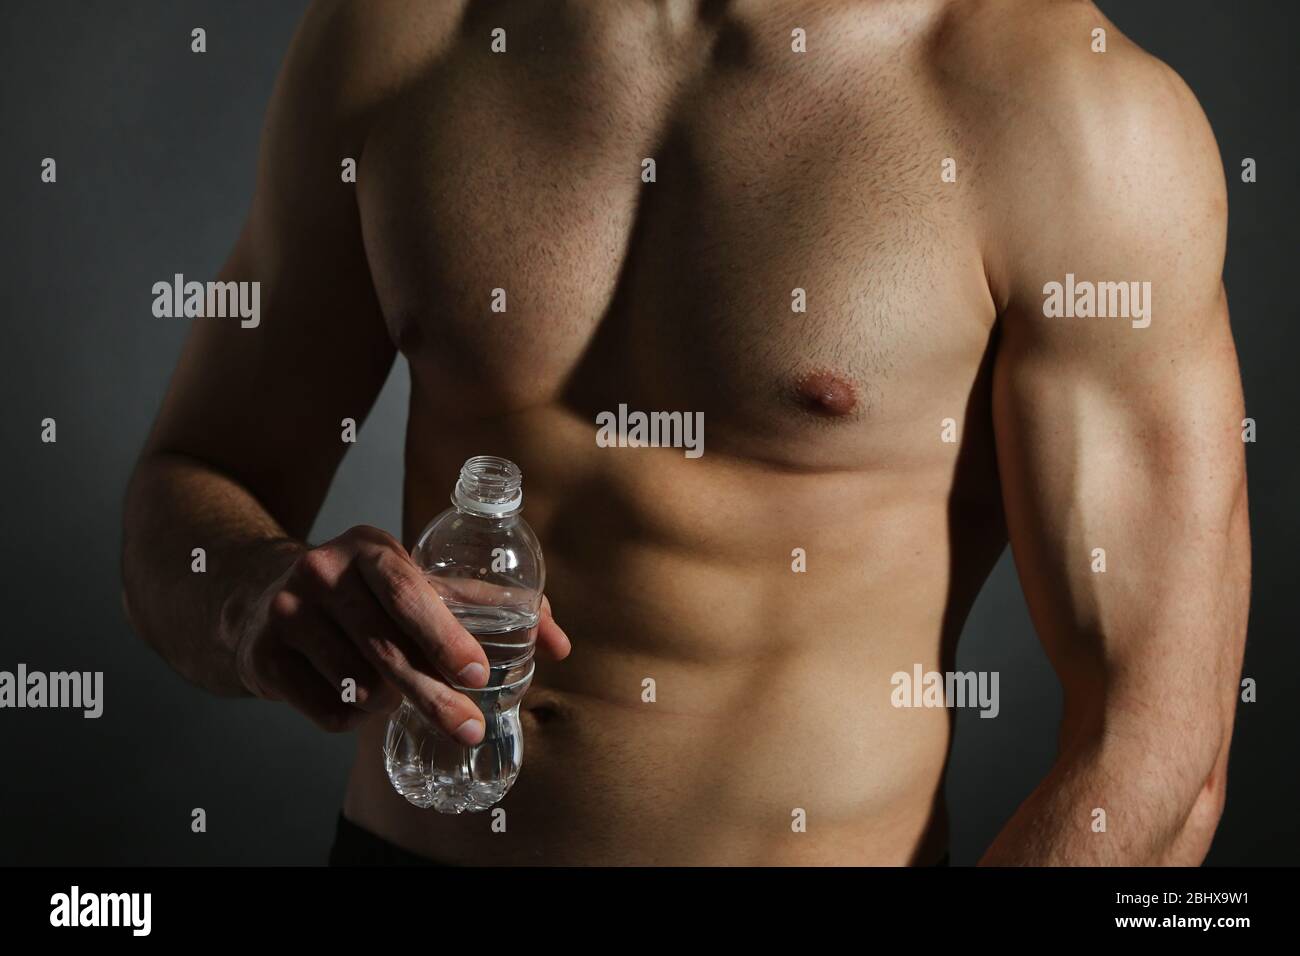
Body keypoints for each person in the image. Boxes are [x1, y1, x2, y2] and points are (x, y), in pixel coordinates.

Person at [122, 0, 1250, 865]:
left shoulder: (1069, 110)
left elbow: (1157, 749)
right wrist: (251, 594)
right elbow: (191, 482)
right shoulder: (402, 33)